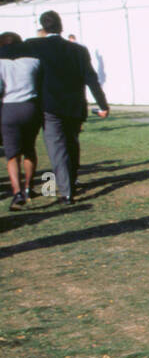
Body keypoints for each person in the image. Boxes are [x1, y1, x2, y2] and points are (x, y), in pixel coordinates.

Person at [20, 11, 108, 204]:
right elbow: (91, 79)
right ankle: (71, 179)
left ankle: (66, 191)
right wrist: (102, 104)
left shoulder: (33, 45)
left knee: (56, 148)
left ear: (43, 28)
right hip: (75, 105)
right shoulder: (79, 50)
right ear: (61, 27)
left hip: (49, 105)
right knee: (72, 143)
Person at [0, 33, 42, 209]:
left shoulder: (1, 64)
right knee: (29, 149)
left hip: (9, 109)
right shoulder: (33, 62)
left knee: (12, 155)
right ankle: (28, 187)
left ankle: (17, 192)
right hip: (30, 107)